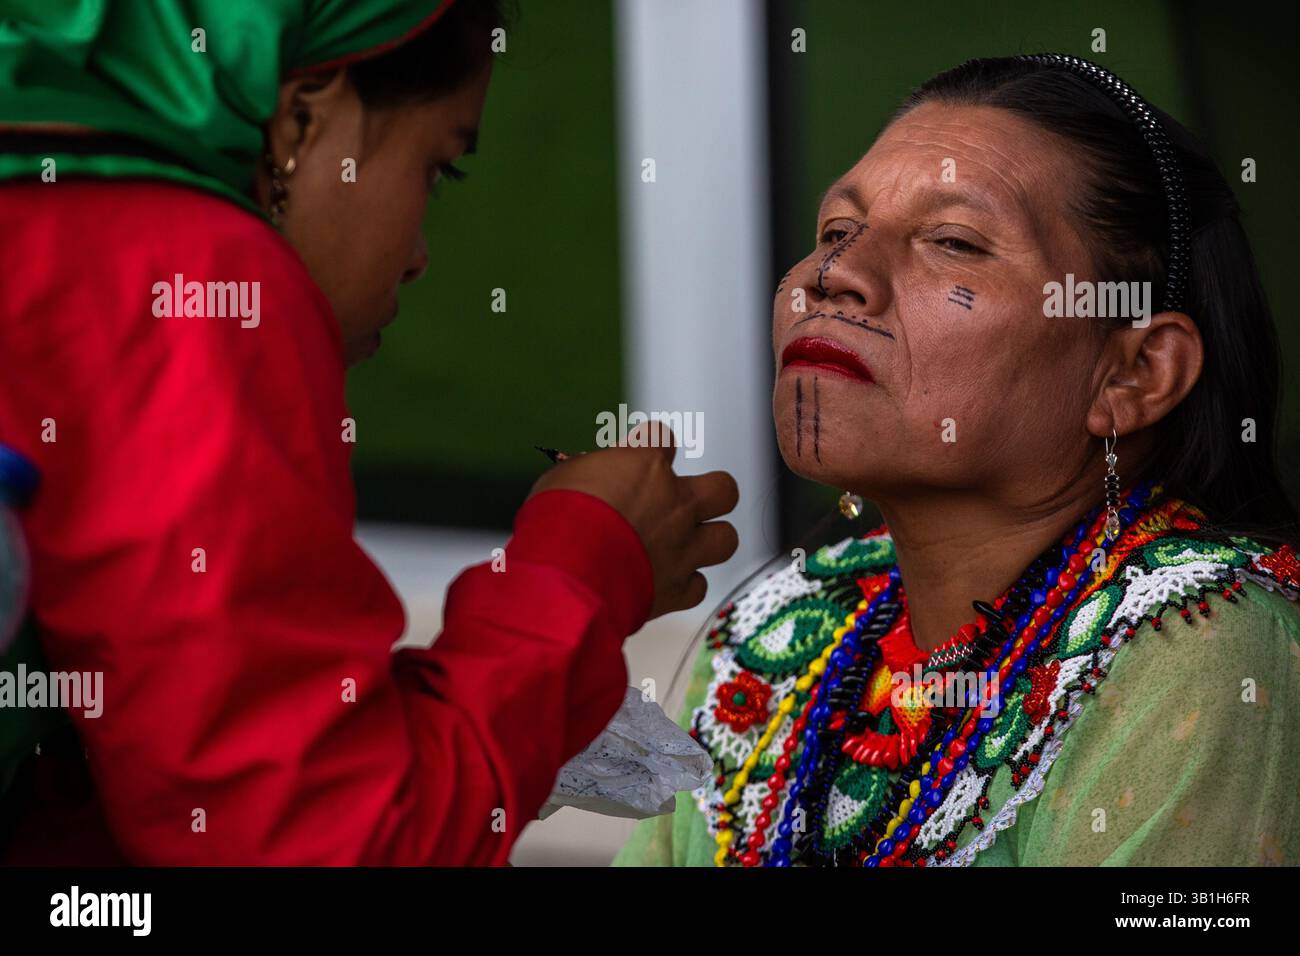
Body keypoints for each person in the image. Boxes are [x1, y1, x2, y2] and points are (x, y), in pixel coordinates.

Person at [0, 0, 738, 864]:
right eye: (438, 167)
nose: (421, 252)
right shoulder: (177, 264)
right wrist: (581, 565)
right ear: (304, 111)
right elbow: (320, 843)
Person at [615, 54, 1300, 867]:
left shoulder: (1199, 643)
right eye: (837, 230)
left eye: (953, 242)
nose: (835, 277)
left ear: (1134, 372)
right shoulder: (782, 630)